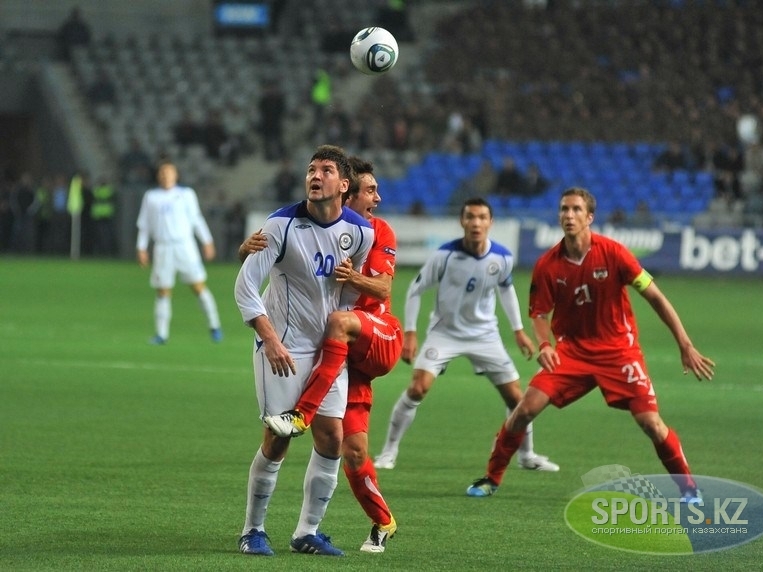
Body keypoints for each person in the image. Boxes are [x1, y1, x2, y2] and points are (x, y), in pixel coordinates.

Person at [465, 187, 715, 499]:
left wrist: (685, 344)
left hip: (618, 351)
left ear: (590, 217)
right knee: (524, 409)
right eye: (564, 210)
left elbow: (655, 297)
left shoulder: (614, 253)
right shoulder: (547, 265)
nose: (568, 215)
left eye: (576, 210)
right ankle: (492, 477)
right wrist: (544, 345)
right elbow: (540, 313)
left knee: (651, 423)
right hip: (571, 353)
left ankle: (689, 488)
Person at [247, 156, 402, 553]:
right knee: (277, 440)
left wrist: (352, 279)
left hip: (339, 347)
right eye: (311, 171)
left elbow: (367, 291)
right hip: (284, 347)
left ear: (341, 186)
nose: (315, 177)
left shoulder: (365, 233)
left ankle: (306, 532)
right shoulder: (282, 223)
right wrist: (271, 338)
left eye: (326, 171)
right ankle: (253, 530)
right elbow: (246, 284)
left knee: (333, 440)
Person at [373, 197, 559, 473]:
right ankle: (388, 452)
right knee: (417, 388)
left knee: (517, 399)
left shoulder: (503, 257)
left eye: (482, 217)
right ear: (462, 221)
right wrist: (410, 333)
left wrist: (519, 330)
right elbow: (414, 289)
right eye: (470, 217)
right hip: (444, 332)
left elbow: (506, 290)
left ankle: (527, 455)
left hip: (485, 335)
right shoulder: (444, 255)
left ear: (490, 222)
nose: (476, 222)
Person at [135, 160, 222, 345]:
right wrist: (141, 247)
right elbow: (145, 225)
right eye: (162, 173)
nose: (165, 176)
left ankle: (214, 326)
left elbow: (196, 219)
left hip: (184, 246)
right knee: (163, 291)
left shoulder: (186, 194)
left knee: (198, 286)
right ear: (158, 176)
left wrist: (207, 241)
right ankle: (161, 334)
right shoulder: (151, 197)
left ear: (176, 175)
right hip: (162, 248)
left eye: (169, 172)